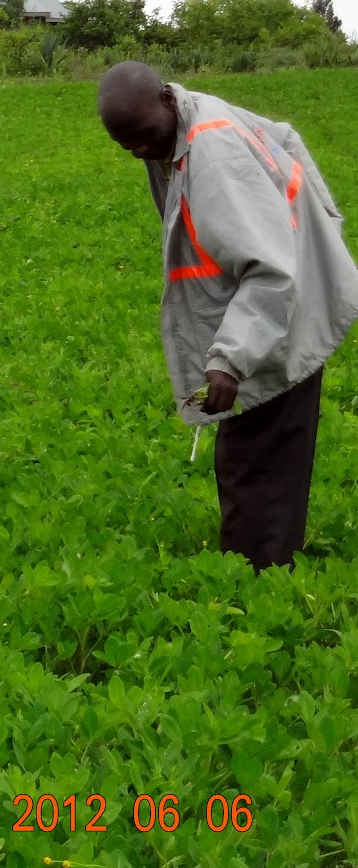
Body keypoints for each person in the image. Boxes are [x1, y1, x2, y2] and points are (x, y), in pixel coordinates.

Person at [98, 60, 358, 571]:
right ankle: (268, 567)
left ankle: (252, 581)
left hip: (273, 313)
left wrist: (229, 359)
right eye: (124, 144)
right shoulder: (198, 118)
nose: (138, 151)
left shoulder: (212, 156)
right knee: (270, 450)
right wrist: (321, 225)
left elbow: (271, 271)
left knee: (253, 457)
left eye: (142, 136)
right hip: (276, 309)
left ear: (166, 101)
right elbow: (286, 140)